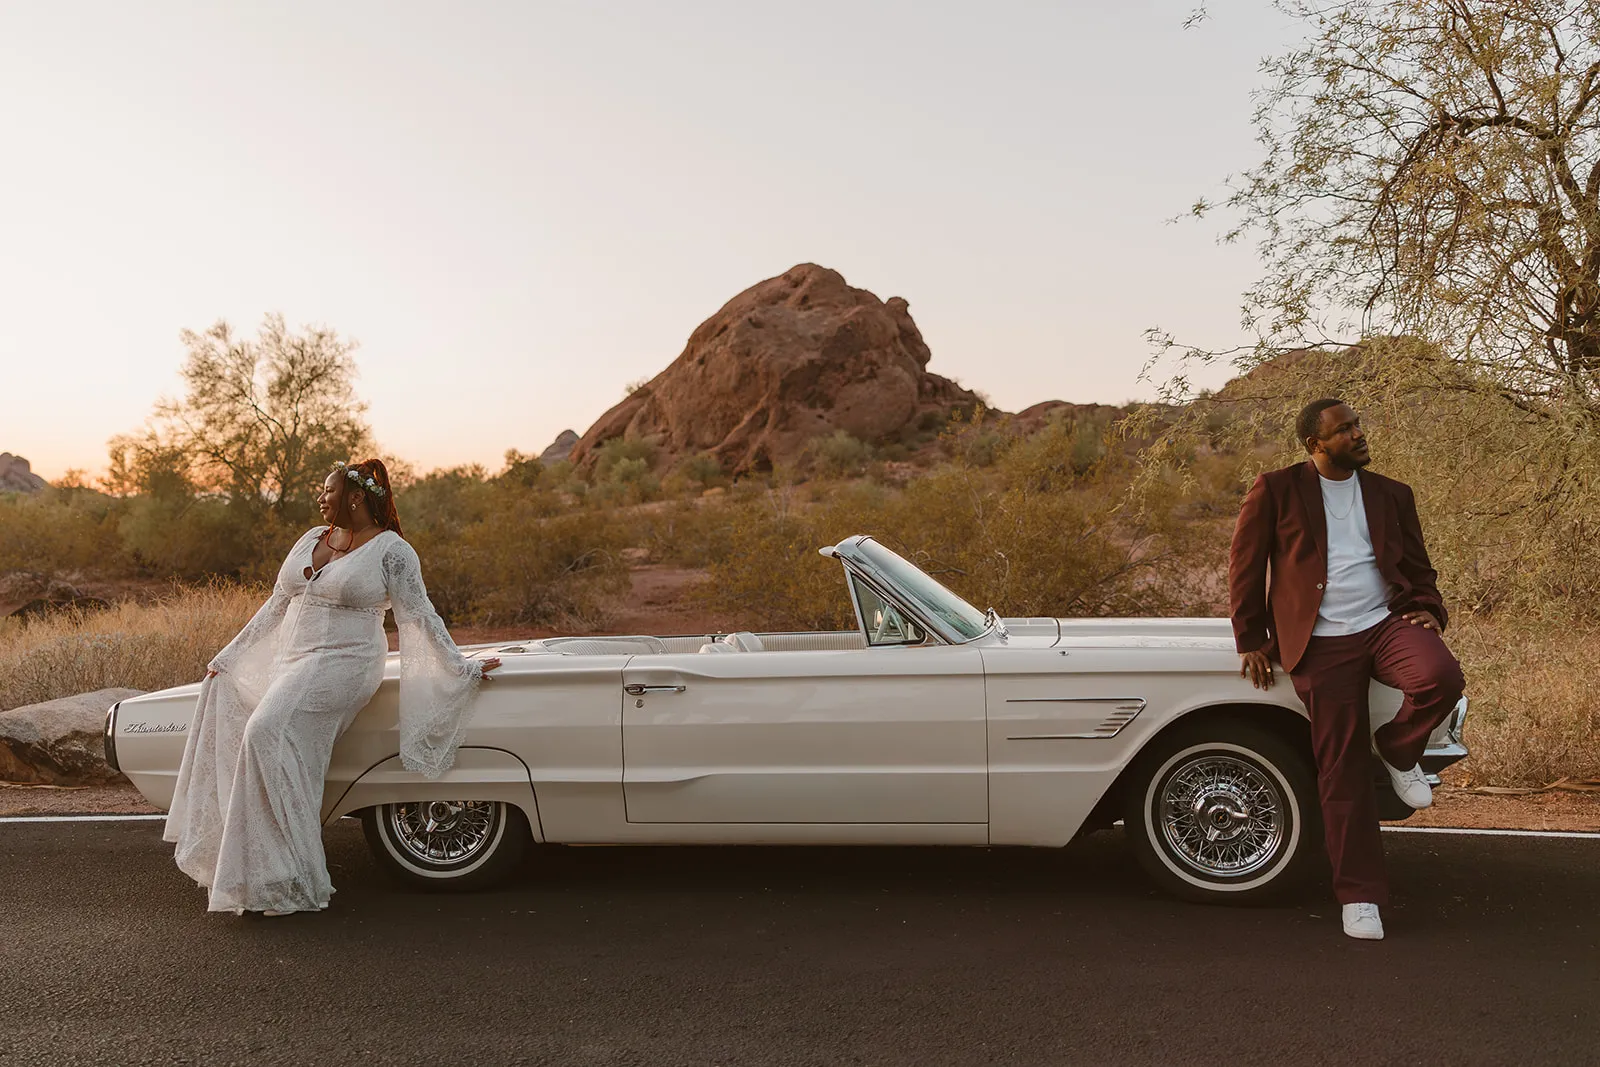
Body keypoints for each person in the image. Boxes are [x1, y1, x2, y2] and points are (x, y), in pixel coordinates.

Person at [163, 458, 501, 916]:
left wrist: (460, 666)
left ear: (356, 497)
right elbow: (277, 603)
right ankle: (258, 871)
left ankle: (291, 874)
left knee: (265, 732)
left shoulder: (392, 551)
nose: (320, 498)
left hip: (346, 662)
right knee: (254, 728)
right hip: (293, 661)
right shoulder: (311, 539)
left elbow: (419, 615)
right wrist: (229, 656)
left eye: (328, 490)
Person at [1228, 399, 1465, 941]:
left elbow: (1418, 566)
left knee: (1441, 678)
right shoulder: (1276, 489)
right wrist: (1253, 639)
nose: (1359, 434)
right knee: (1342, 771)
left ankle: (1400, 747)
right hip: (1319, 643)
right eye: (1345, 430)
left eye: (1358, 425)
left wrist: (1428, 607)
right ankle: (1359, 897)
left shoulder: (1391, 494)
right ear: (1316, 444)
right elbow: (1245, 564)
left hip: (1385, 624)